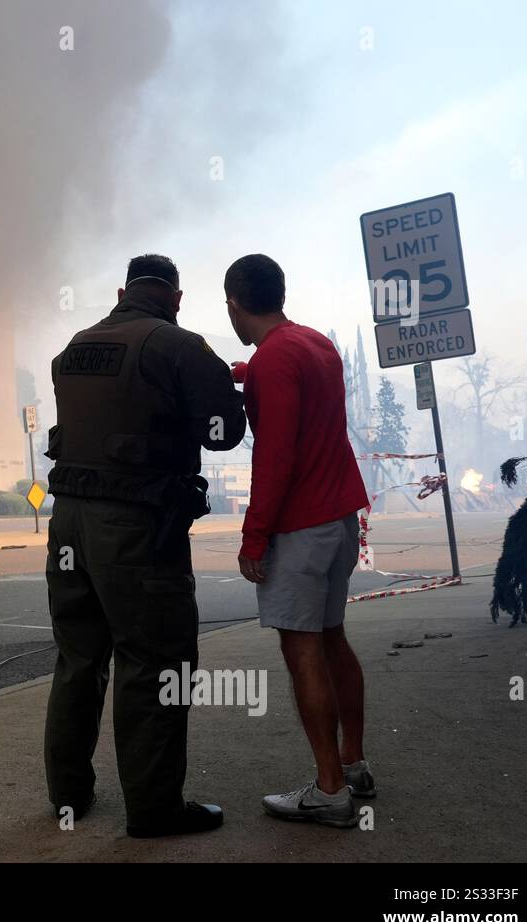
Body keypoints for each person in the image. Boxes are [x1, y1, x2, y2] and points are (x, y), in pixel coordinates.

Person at [44, 253, 245, 837]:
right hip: (136, 528)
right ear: (176, 297)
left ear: (122, 290)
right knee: (155, 661)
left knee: (79, 658)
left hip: (68, 524)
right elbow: (225, 431)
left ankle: (68, 796)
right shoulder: (178, 346)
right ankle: (154, 809)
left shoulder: (73, 348)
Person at [223, 253, 373, 829]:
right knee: (333, 637)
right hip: (338, 520)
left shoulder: (273, 363)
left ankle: (330, 791)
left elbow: (276, 456)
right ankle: (353, 764)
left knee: (302, 649)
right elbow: (298, 397)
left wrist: (253, 537)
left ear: (235, 303)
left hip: (300, 527)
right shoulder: (315, 344)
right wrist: (246, 374)